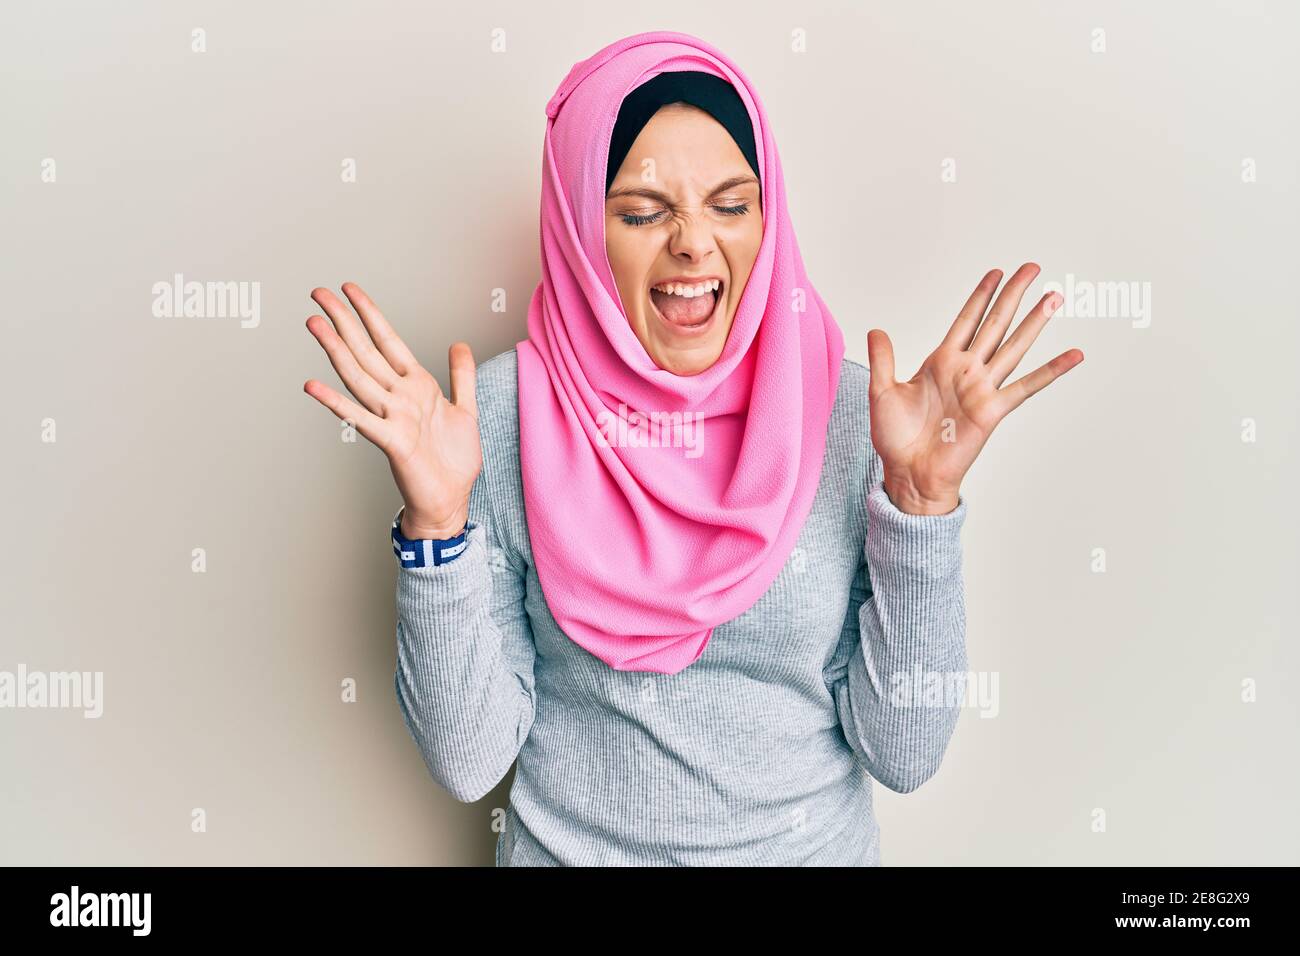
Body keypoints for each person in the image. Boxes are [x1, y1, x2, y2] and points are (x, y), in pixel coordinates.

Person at [302, 31, 1083, 865]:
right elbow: (469, 763)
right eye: (643, 211)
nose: (693, 243)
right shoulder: (495, 418)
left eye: (731, 204)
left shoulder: (862, 420)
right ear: (578, 229)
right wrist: (437, 528)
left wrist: (920, 507)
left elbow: (904, 753)